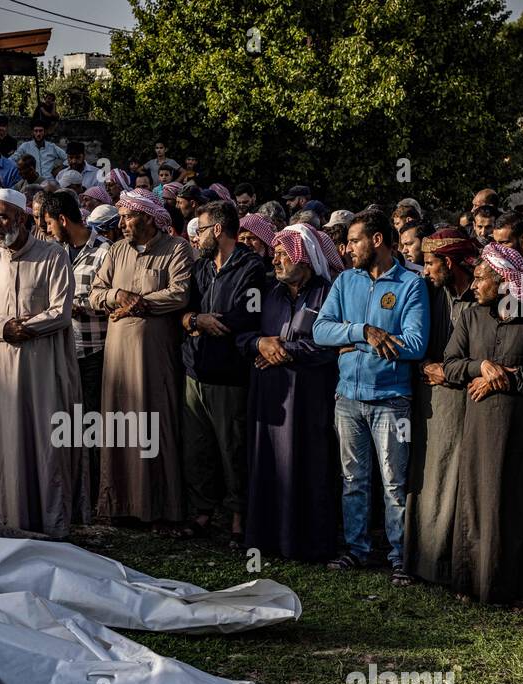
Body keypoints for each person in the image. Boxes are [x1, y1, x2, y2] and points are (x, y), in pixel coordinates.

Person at [312, 209, 430, 584]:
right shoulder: (346, 281)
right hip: (347, 398)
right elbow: (320, 331)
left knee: (395, 483)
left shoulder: (411, 284)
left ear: (377, 240)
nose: (347, 249)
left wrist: (349, 343)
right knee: (353, 479)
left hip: (391, 399)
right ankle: (357, 549)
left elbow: (414, 344)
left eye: (354, 241)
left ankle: (400, 556)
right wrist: (363, 331)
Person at [441, 244, 523, 605]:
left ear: (505, 282)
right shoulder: (472, 317)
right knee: (478, 500)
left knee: (517, 502)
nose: (474, 286)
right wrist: (481, 367)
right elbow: (450, 364)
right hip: (479, 430)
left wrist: (506, 378)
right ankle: (472, 583)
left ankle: (517, 588)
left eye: (480, 279)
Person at [0, 188, 90, 537]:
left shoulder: (53, 255)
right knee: (9, 441)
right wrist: (2, 328)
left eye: (2, 216)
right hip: (4, 365)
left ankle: (54, 525)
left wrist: (24, 327)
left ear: (21, 218)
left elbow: (61, 311)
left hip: (45, 366)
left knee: (47, 442)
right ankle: (12, 522)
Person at [89, 188, 194, 527]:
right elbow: (95, 293)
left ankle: (159, 507)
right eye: (120, 218)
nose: (122, 224)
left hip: (155, 354)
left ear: (148, 217)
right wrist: (118, 295)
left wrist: (141, 302)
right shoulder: (116, 251)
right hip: (118, 355)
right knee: (120, 423)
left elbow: (179, 293)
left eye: (128, 217)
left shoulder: (176, 248)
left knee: (155, 421)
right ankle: (119, 505)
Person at [238, 225, 341, 560]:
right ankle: (267, 540)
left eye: (285, 254)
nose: (277, 260)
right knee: (268, 464)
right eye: (276, 253)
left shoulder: (328, 293)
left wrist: (285, 350)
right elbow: (241, 336)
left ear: (306, 258)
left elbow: (332, 345)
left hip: (310, 398)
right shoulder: (267, 292)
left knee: (308, 466)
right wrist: (259, 343)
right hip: (269, 397)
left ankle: (306, 544)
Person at [178, 200, 267, 543]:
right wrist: (195, 320)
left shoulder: (251, 267)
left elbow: (248, 315)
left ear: (217, 229)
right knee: (198, 448)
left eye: (200, 230)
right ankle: (202, 513)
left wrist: (213, 321)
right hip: (194, 370)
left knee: (233, 449)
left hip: (229, 375)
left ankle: (237, 519)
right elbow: (185, 311)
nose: (196, 238)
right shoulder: (200, 267)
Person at [405, 228, 477, 588]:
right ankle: (425, 561)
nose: (425, 271)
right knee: (429, 475)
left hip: (468, 398)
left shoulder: (482, 298)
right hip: (430, 397)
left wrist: (448, 371)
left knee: (460, 477)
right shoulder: (430, 294)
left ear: (448, 263)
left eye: (431, 263)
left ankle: (456, 565)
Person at [42, 189, 110, 501]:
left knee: (92, 422)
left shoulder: (105, 251)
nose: (47, 230)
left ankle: (94, 490)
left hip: (94, 350)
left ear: (63, 219)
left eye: (50, 224)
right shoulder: (54, 251)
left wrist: (78, 305)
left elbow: (113, 296)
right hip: (61, 349)